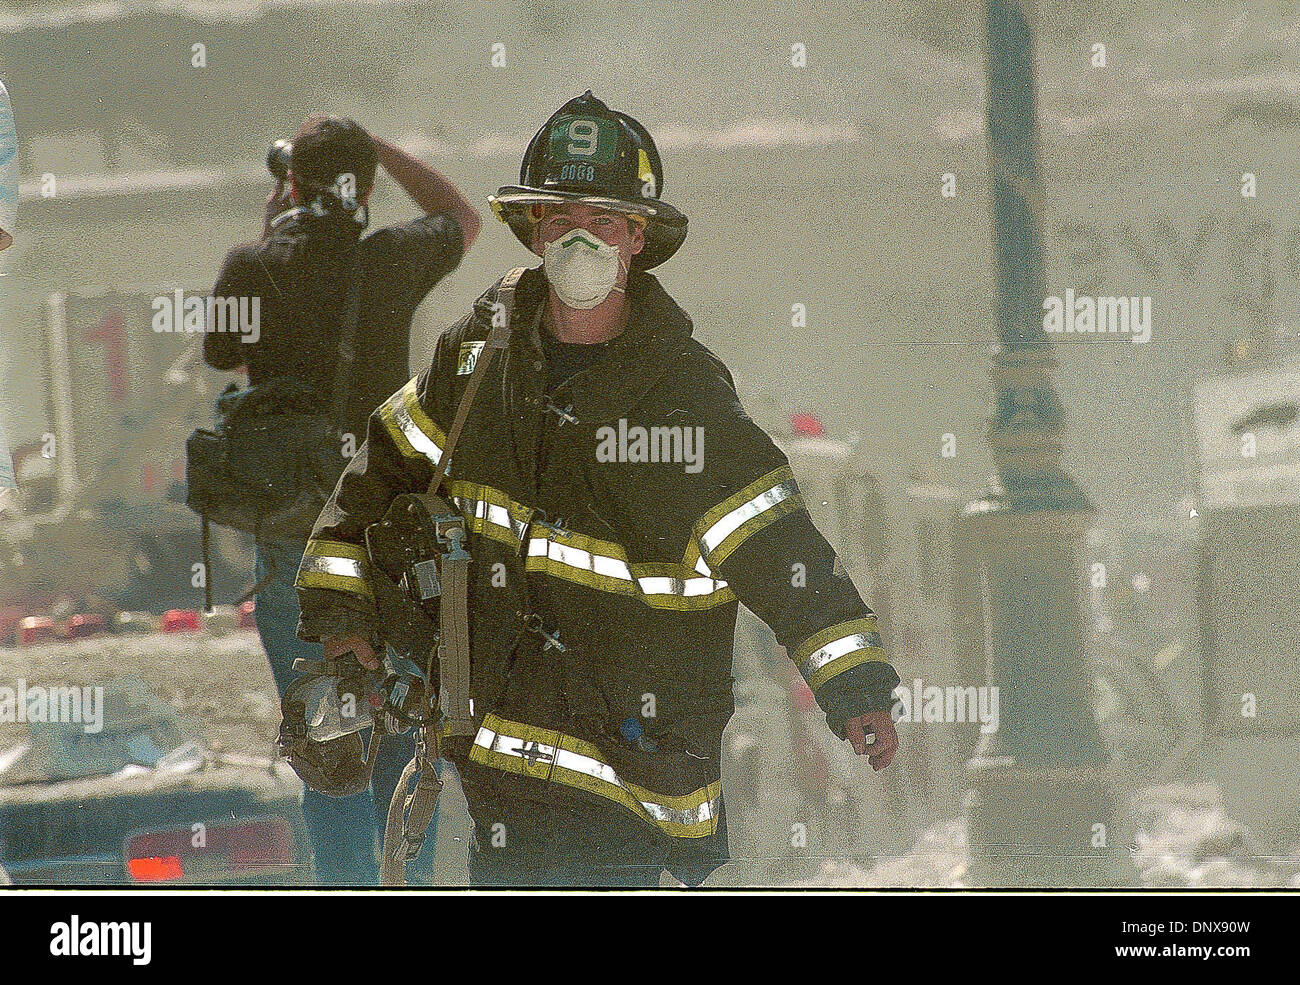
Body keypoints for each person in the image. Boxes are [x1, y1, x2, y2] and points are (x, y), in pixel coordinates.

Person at [295, 92, 898, 887]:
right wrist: (343, 621)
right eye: (560, 217)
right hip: (502, 789)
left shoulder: (685, 398)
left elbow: (781, 548)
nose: (578, 238)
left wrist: (854, 682)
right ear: (534, 229)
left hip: (631, 796)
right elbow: (373, 478)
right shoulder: (479, 359)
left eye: (603, 220)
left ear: (638, 238)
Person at [203, 115, 479, 885]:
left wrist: (271, 233)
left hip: (292, 533)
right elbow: (462, 215)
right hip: (383, 536)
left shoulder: (252, 266)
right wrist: (378, 147)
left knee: (323, 733)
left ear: (290, 184)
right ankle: (405, 880)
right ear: (364, 189)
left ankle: (343, 882)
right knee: (403, 723)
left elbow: (221, 351)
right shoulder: (391, 259)